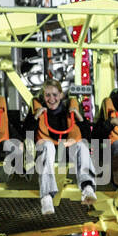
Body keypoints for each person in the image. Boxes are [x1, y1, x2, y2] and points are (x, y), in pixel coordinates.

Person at [23, 79, 97, 217]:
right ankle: (46, 196)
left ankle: (87, 187)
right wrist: (36, 117)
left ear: (61, 95)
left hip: (67, 149)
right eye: (48, 95)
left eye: (55, 95)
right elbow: (27, 133)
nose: (52, 99)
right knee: (48, 145)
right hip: (47, 148)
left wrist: (79, 117)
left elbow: (87, 136)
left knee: (81, 145)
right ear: (43, 96)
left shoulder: (69, 111)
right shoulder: (38, 110)